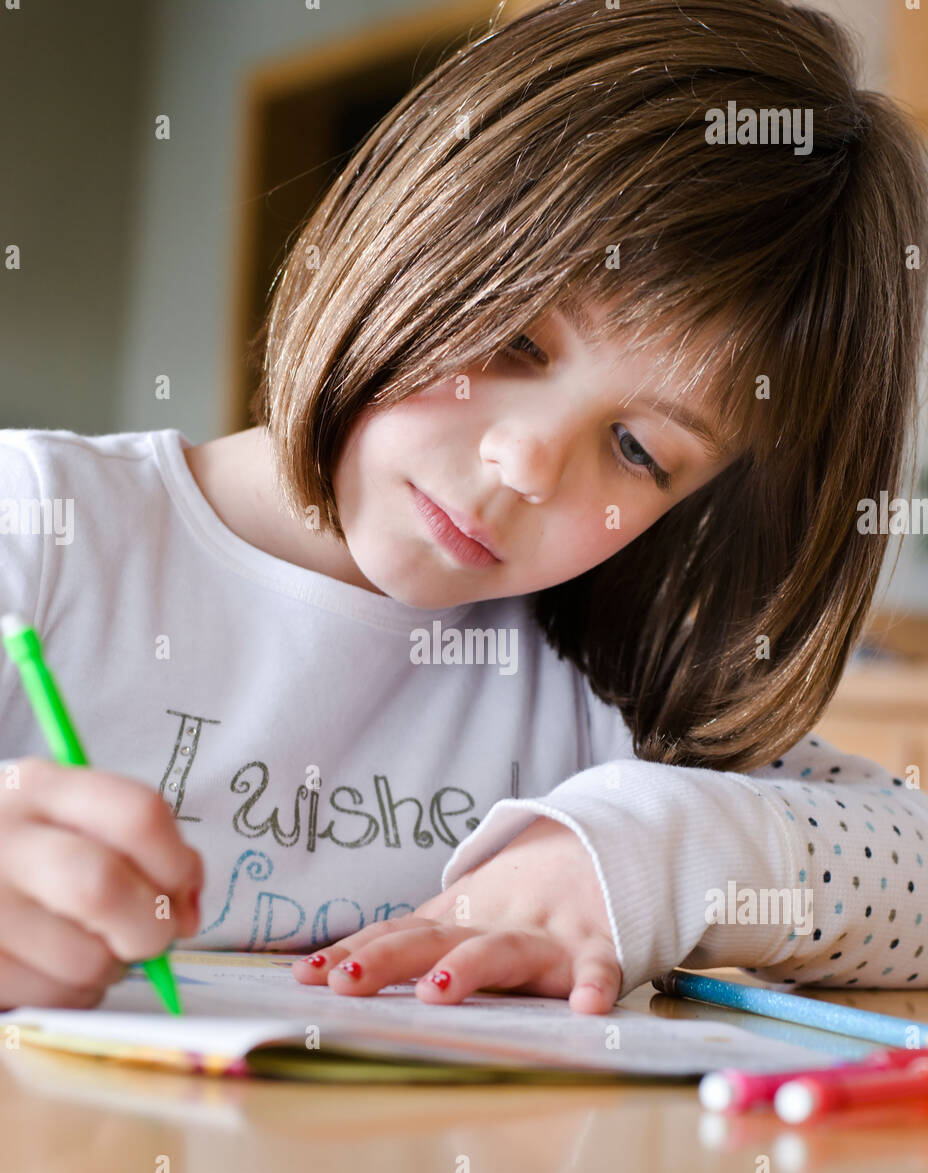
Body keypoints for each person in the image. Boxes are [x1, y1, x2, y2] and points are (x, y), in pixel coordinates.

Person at [1, 0, 925, 1014]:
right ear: (410, 220)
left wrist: (647, 854)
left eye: (635, 449)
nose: (526, 458)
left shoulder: (597, 695)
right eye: (517, 340)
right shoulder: (39, 525)